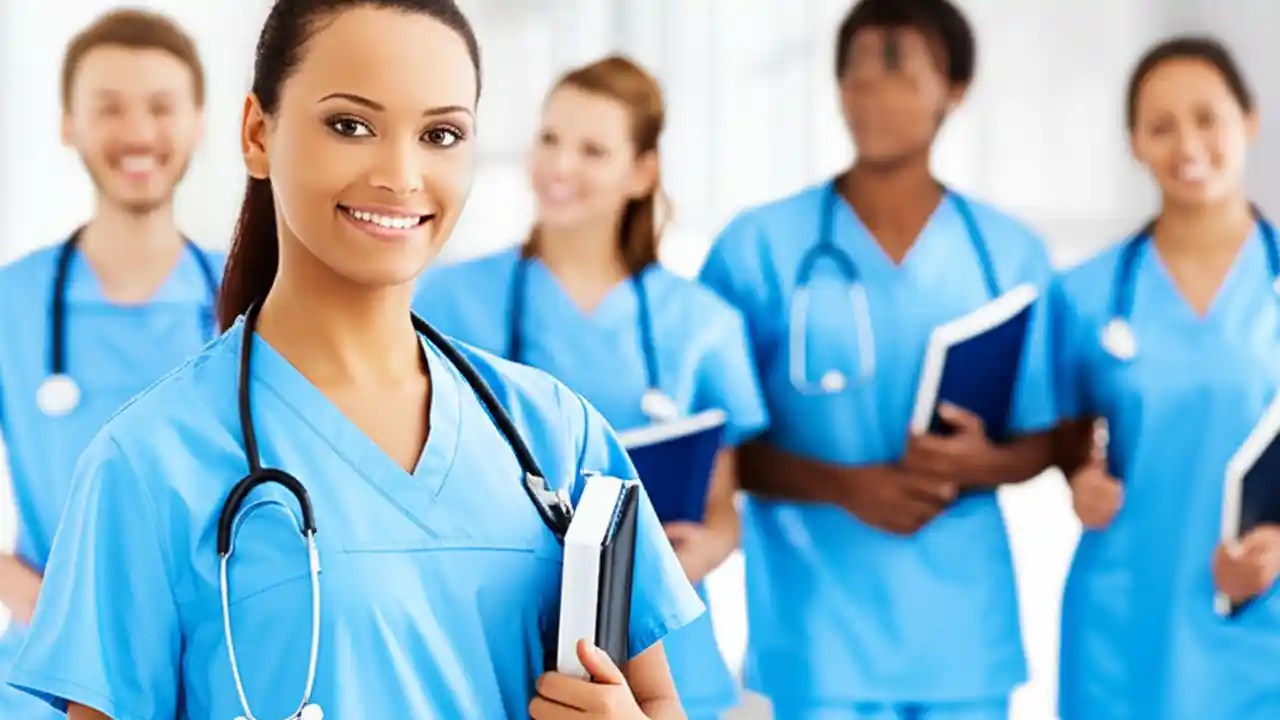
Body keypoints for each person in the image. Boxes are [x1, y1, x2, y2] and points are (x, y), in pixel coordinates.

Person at [6, 2, 702, 718]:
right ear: (257, 133)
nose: (401, 175)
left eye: (440, 134)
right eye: (350, 125)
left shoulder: (555, 432)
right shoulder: (149, 461)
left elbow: (655, 700)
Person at [698, 0, 1058, 717]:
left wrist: (982, 463)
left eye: (901, 70)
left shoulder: (1008, 255)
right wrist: (845, 486)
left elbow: (1053, 434)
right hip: (816, 626)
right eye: (858, 68)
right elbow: (711, 444)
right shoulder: (757, 247)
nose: (873, 90)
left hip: (960, 634)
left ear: (954, 90)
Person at [414, 55, 769, 718]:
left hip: (668, 658)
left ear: (642, 172)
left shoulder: (701, 323)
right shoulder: (449, 301)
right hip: (500, 638)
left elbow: (722, 510)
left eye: (592, 150)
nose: (560, 165)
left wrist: (695, 553)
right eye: (549, 139)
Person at [0, 10, 222, 719]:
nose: (138, 132)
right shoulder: (11, 302)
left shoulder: (256, 303)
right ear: (68, 124)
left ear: (200, 124)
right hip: (48, 678)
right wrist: (34, 600)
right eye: (109, 108)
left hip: (215, 664)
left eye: (161, 106)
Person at [1053, 37, 1280, 719]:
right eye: (1161, 126)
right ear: (1134, 144)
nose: (1187, 145)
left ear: (1249, 120)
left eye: (1207, 118)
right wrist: (1077, 474)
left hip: (1258, 614)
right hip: (1124, 614)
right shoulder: (1086, 293)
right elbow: (1051, 428)